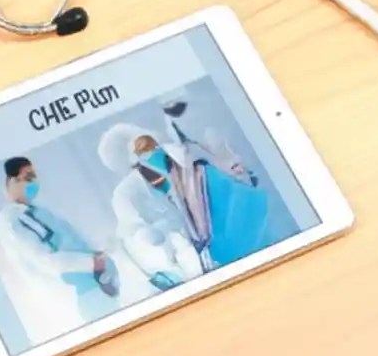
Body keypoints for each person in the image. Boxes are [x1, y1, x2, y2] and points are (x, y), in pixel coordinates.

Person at [97, 99, 270, 290]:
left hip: (233, 232)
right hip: (215, 246)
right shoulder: (129, 191)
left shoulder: (180, 152)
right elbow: (140, 233)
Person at [0, 156, 119, 323]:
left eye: (34, 176)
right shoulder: (14, 219)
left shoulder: (38, 211)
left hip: (94, 283)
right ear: (11, 182)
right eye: (28, 177)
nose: (34, 182)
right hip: (81, 289)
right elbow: (45, 259)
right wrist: (94, 263)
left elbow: (73, 241)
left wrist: (100, 259)